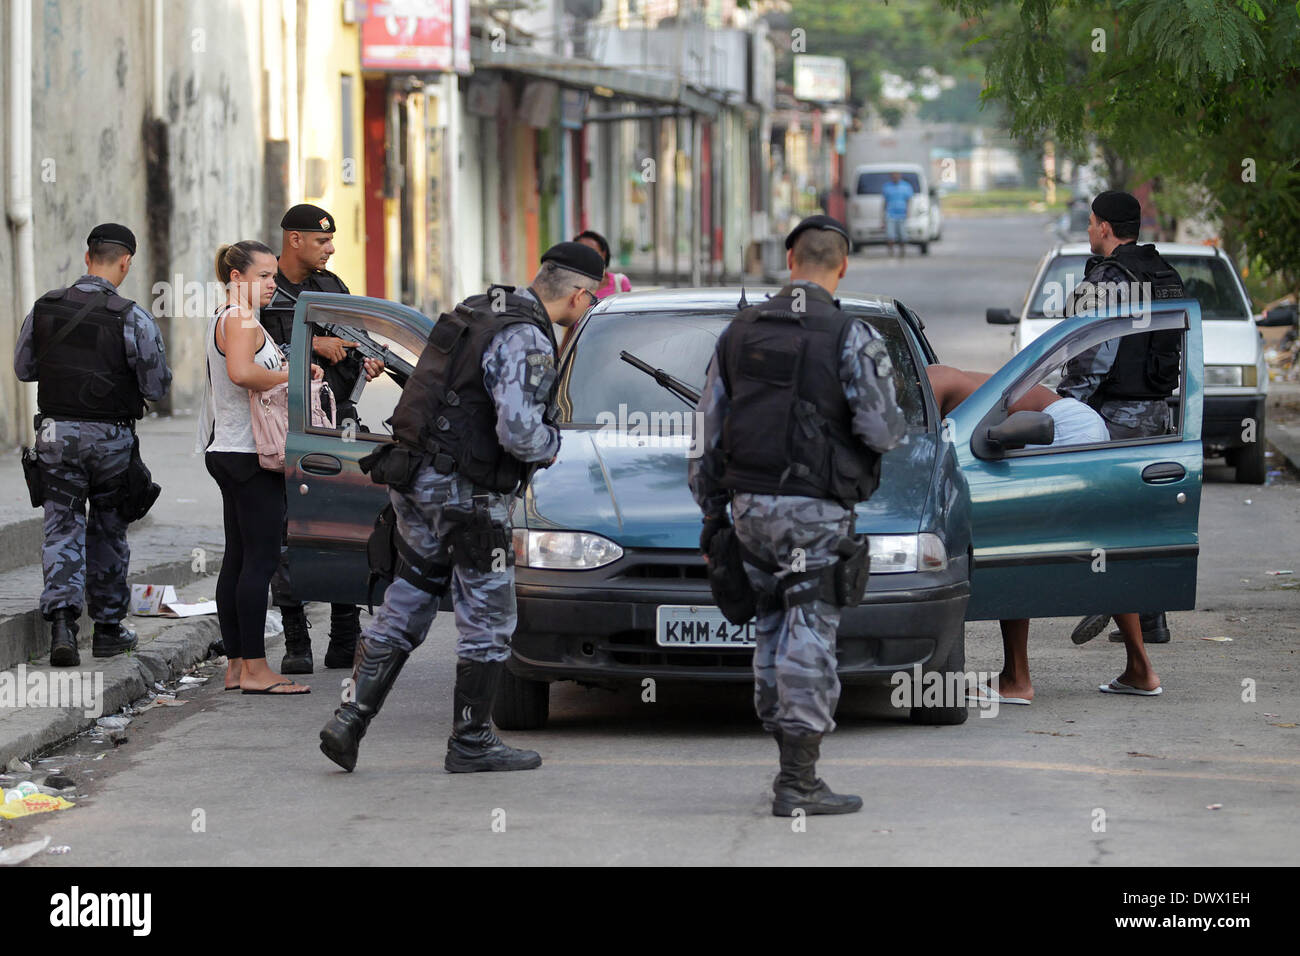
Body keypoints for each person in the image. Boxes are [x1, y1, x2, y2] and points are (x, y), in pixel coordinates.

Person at [318, 240, 604, 773]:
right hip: (469, 498)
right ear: (580, 295)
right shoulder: (527, 338)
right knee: (489, 617)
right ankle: (471, 740)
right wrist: (554, 443)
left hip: (416, 482)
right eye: (591, 301)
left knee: (409, 598)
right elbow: (519, 433)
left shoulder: (480, 310)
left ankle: (349, 719)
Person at [689, 214, 907, 816]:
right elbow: (883, 429)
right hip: (815, 511)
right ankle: (799, 782)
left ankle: (782, 742)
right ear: (842, 266)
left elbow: (705, 435)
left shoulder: (738, 332)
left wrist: (714, 516)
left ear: (789, 261)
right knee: (809, 628)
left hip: (748, 509)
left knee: (769, 621)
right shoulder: (848, 333)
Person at [924, 365, 1159, 702]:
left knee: (1013, 549)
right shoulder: (942, 375)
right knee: (1100, 547)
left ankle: (1017, 679)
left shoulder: (933, 383)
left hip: (1057, 429)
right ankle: (1141, 669)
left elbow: (930, 453)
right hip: (1076, 421)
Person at [13, 223, 172, 666]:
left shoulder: (45, 308)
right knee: (108, 527)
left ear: (87, 258)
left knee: (61, 526)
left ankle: (62, 626)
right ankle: (106, 629)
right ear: (126, 262)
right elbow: (157, 386)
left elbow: (24, 369)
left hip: (56, 437)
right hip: (110, 442)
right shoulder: (132, 316)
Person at [1062, 190, 1186, 659]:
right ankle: (1151, 618)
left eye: (1092, 223)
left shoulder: (1109, 282)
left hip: (1115, 417)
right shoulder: (1164, 274)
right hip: (1159, 414)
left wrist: (1063, 412)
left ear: (1106, 227)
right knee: (1144, 514)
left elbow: (1092, 359)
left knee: (1104, 512)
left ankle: (1112, 595)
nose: (1089, 230)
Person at [197, 240, 324, 695]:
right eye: (264, 276)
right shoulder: (238, 318)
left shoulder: (232, 317)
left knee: (239, 559)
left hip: (235, 450)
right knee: (261, 560)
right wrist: (294, 374)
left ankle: (236, 666)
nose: (273, 284)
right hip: (248, 455)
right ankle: (254, 668)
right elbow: (242, 374)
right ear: (236, 277)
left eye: (273, 276)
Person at [259, 204, 381, 675]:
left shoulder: (333, 288)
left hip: (338, 420)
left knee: (345, 526)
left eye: (330, 241)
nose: (330, 249)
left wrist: (361, 363)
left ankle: (344, 637)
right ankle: (296, 642)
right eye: (321, 241)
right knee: (289, 532)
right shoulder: (266, 289)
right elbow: (257, 357)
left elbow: (354, 348)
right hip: (286, 428)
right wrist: (314, 347)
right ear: (294, 240)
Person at [880, 172, 914, 259]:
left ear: (900, 176)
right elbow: (884, 202)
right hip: (890, 214)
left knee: (902, 235)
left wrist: (908, 211)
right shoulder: (887, 187)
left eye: (897, 175)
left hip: (902, 214)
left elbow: (909, 200)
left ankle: (902, 251)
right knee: (890, 235)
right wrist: (882, 216)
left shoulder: (906, 186)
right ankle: (891, 252)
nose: (895, 177)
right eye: (893, 175)